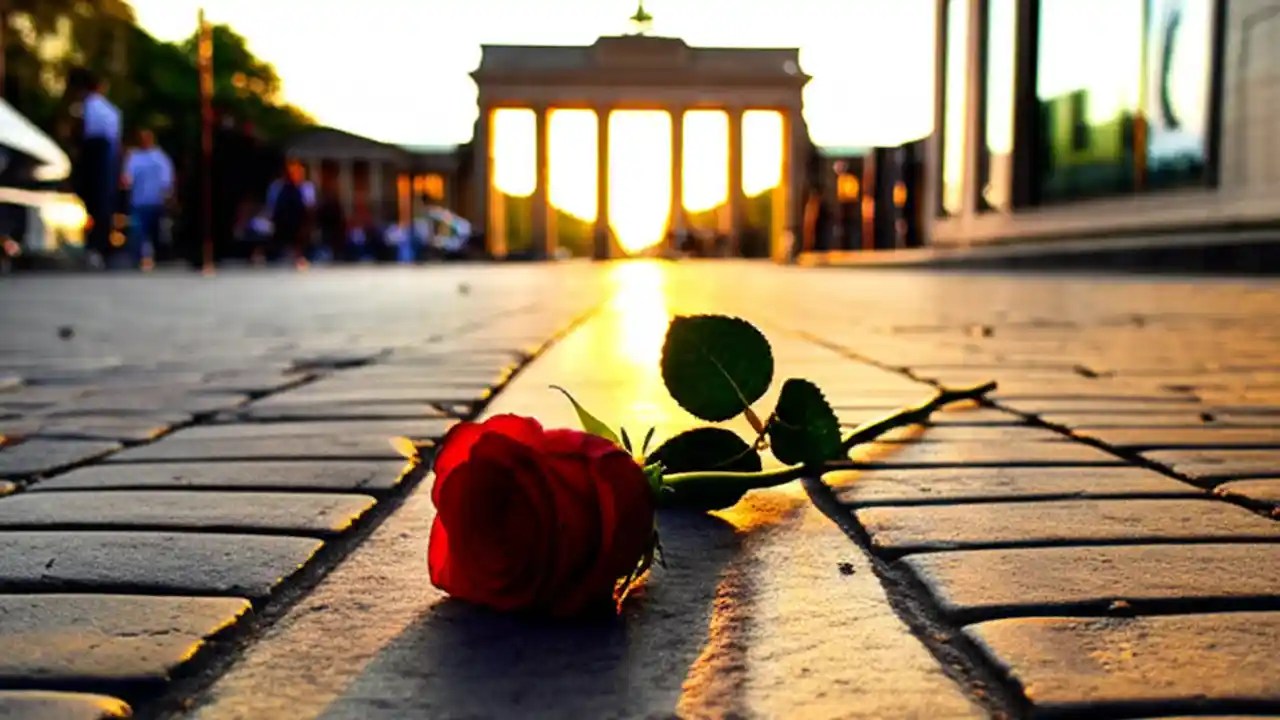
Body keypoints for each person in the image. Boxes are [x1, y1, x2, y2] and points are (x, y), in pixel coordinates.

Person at [71, 70, 122, 268]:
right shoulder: (110, 109)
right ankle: (100, 247)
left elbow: (82, 132)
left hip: (96, 153)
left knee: (96, 203)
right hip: (104, 154)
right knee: (102, 203)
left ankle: (96, 246)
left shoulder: (88, 106)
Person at [121, 129, 174, 270]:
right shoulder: (134, 157)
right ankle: (138, 259)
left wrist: (167, 195)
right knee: (138, 233)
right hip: (139, 202)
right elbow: (127, 179)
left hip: (156, 201)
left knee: (156, 232)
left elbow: (167, 179)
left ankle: (158, 258)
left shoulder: (160, 157)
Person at [263, 160, 316, 269]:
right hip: (281, 219)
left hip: (300, 220)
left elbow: (310, 207)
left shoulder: (307, 187)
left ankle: (300, 255)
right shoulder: (277, 187)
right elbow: (271, 206)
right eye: (291, 172)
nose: (294, 175)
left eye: (298, 172)